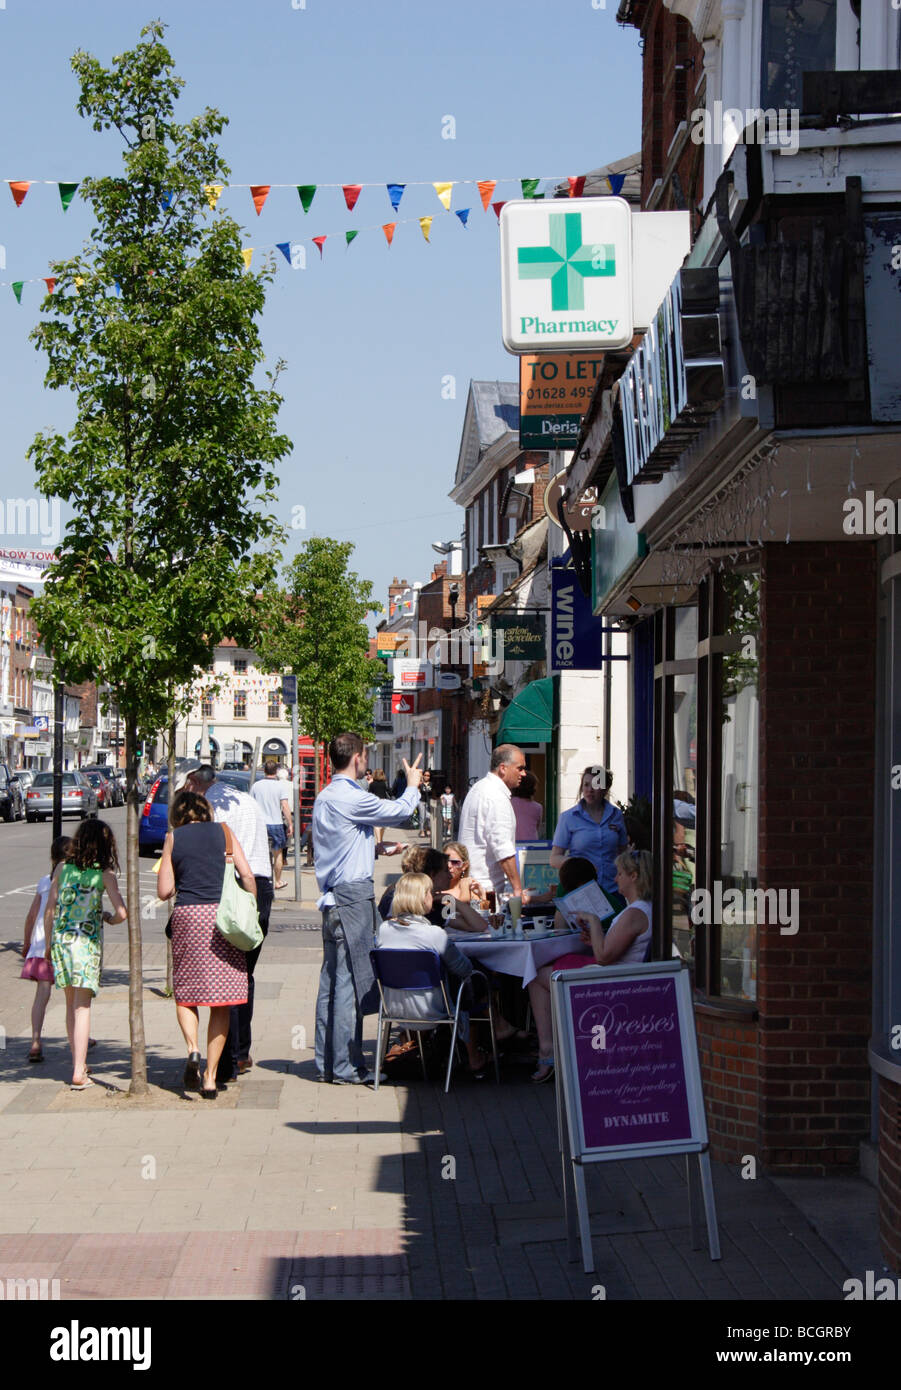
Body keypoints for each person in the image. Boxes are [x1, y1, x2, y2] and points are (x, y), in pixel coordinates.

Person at [313, 733, 421, 1084]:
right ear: (357, 757)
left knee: (331, 984)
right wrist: (413, 785)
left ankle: (328, 1064)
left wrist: (374, 849)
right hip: (352, 898)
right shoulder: (351, 795)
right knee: (352, 984)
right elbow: (402, 811)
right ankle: (346, 1067)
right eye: (365, 757)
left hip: (331, 897)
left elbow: (339, 843)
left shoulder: (327, 796)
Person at [157, 791, 257, 1099]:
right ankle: (211, 1078)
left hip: (188, 917)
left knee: (186, 994)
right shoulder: (225, 832)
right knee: (222, 1001)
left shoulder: (173, 839)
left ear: (178, 814)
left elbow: (164, 891)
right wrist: (250, 905)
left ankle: (192, 1049)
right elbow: (247, 875)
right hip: (222, 919)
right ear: (206, 811)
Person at [527, 850, 653, 1084]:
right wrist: (594, 936)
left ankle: (548, 1051)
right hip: (619, 973)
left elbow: (604, 956)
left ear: (634, 876)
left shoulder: (635, 912)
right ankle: (554, 1048)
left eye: (620, 873)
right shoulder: (641, 909)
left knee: (534, 975)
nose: (615, 879)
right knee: (541, 971)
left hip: (612, 978)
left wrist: (594, 922)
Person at [185, 764, 272, 1083]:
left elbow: (213, 853)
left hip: (237, 886)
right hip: (263, 886)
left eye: (187, 788)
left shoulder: (212, 806)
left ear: (196, 784)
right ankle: (243, 1051)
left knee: (230, 976)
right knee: (246, 974)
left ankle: (230, 1060)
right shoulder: (243, 798)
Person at [377, 872, 490, 1077]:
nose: (433, 896)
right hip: (433, 1009)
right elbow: (464, 969)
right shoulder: (434, 934)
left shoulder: (383, 930)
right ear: (422, 898)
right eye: (429, 892)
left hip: (393, 1009)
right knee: (474, 979)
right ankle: (474, 1053)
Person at [44, 820, 128, 1090]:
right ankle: (79, 1070)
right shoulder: (104, 875)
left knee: (70, 1004)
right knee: (83, 1007)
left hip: (62, 942)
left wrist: (48, 945)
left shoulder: (61, 868)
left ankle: (76, 1060)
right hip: (86, 945)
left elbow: (50, 909)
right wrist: (108, 918)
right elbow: (122, 913)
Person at [457, 744, 529, 904]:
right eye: (520, 768)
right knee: (491, 928)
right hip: (486, 889)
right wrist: (517, 889)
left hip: (472, 884)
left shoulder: (479, 788)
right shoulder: (495, 797)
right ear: (503, 768)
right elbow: (502, 847)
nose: (524, 773)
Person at [21, 835, 71, 1063]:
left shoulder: (44, 881)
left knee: (42, 995)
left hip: (42, 945)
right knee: (75, 997)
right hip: (67, 944)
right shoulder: (74, 881)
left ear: (52, 857)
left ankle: (35, 1040)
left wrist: (27, 943)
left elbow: (32, 916)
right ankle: (79, 1037)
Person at [550, 766, 628, 909]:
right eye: (586, 785)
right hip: (581, 890)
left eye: (595, 785)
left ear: (605, 789)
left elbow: (624, 853)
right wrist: (580, 866)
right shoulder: (568, 817)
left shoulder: (616, 815)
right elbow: (554, 859)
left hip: (613, 889)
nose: (589, 790)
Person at [252, 758, 293, 889]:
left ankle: (261, 882)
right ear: (276, 771)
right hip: (276, 823)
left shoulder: (256, 786)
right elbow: (285, 806)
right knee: (278, 854)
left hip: (260, 824)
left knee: (260, 853)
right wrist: (290, 824)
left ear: (264, 771)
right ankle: (278, 881)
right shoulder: (280, 786)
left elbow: (251, 805)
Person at [511, 770, 543, 841]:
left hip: (512, 844)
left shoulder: (508, 803)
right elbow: (537, 827)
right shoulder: (538, 807)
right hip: (532, 844)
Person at [368, 768, 391, 846]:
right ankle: (381, 839)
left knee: (376, 824)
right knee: (383, 823)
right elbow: (388, 792)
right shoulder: (384, 784)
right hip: (383, 803)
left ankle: (378, 841)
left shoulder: (372, 784)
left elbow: (369, 794)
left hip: (375, 803)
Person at [418, 770, 433, 838]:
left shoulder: (431, 784)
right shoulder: (420, 784)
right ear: (423, 776)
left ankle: (428, 829)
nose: (427, 777)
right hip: (421, 801)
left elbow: (433, 793)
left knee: (428, 817)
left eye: (428, 775)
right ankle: (422, 831)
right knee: (422, 817)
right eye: (425, 775)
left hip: (429, 802)